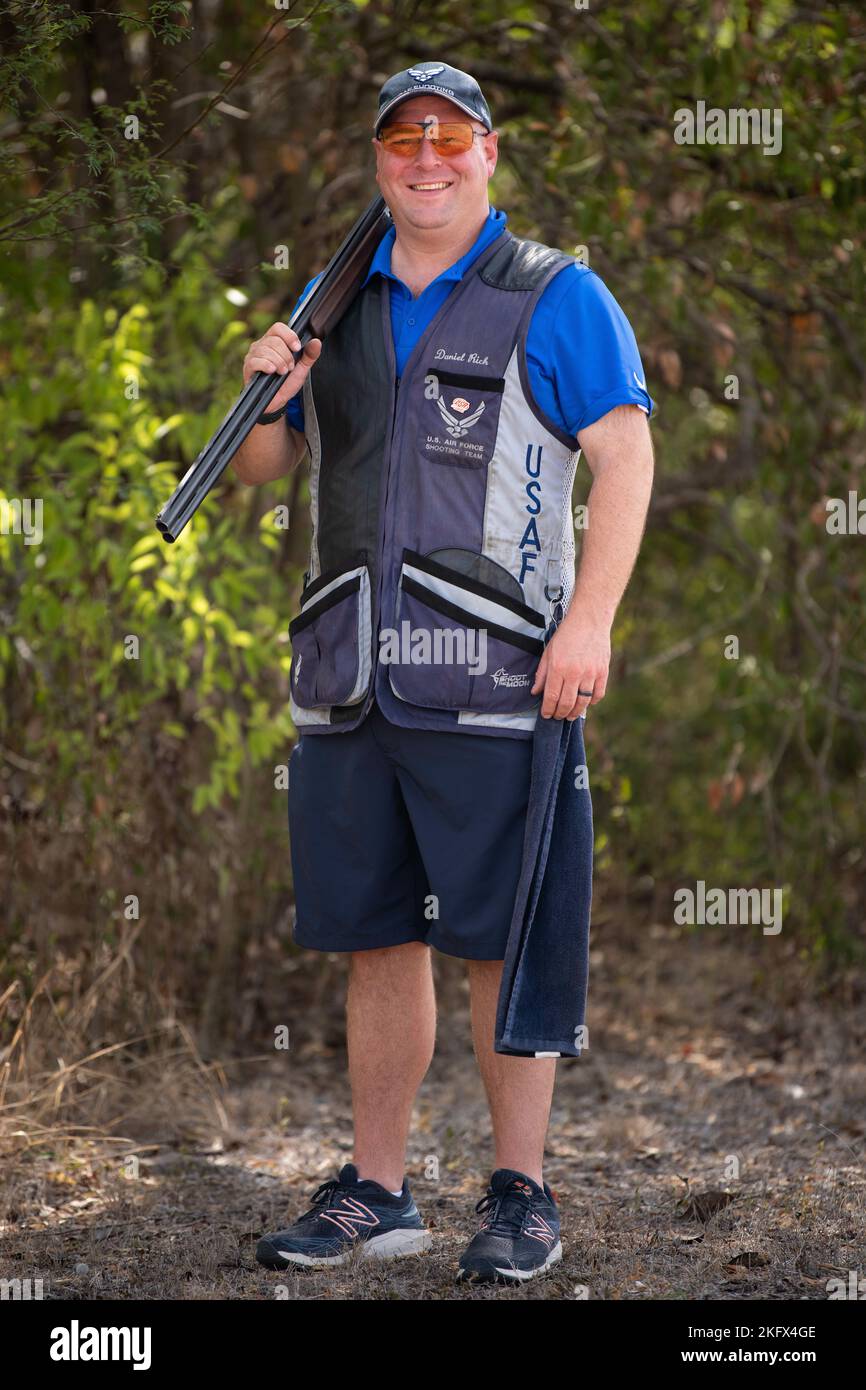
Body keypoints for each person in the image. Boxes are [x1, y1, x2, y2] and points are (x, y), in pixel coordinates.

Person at [232, 61, 655, 1283]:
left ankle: (519, 1194)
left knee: (498, 943)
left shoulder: (557, 295)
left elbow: (623, 462)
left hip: (500, 675)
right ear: (378, 159)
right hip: (348, 674)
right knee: (377, 941)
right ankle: (377, 1192)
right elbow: (263, 470)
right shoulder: (335, 297)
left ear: (487, 152)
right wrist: (269, 392)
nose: (426, 158)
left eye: (449, 136)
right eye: (401, 139)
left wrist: (590, 624)